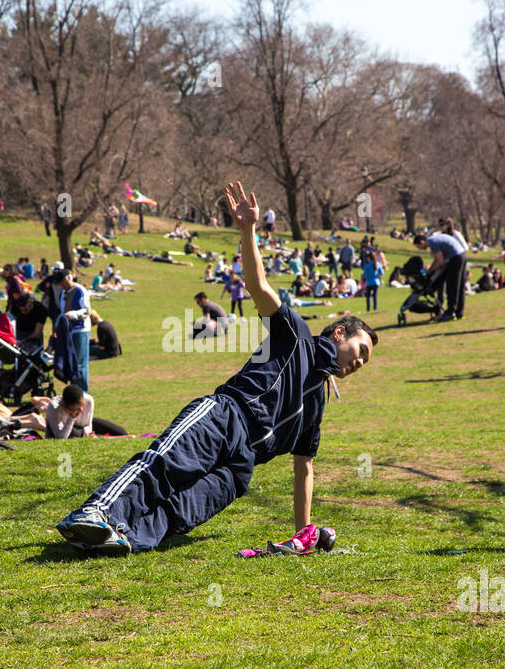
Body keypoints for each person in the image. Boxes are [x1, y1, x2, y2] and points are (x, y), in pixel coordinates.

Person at [53, 180, 377, 556]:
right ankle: (96, 513)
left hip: (242, 467)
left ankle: (121, 537)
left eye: (365, 361)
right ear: (340, 333)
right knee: (163, 468)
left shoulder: (316, 406)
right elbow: (258, 286)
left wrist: (303, 533)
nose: (359, 362)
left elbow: (304, 468)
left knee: (181, 512)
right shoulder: (296, 335)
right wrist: (248, 230)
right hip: (225, 417)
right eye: (361, 349)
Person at [55, 267, 91, 390]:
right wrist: (57, 325)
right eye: (60, 284)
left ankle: (82, 392)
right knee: (71, 362)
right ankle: (74, 391)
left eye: (63, 283)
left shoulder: (80, 290)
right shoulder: (63, 293)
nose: (62, 286)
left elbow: (86, 311)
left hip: (80, 330)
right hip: (68, 331)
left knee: (80, 364)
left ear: (68, 278)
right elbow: (62, 311)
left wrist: (73, 314)